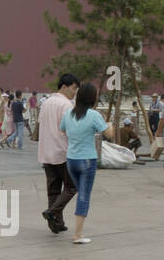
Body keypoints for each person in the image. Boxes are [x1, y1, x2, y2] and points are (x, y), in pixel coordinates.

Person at [59, 82, 116, 243]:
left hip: (71, 160)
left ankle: (78, 231)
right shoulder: (94, 115)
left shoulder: (68, 114)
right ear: (92, 98)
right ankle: (78, 234)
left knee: (80, 192)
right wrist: (109, 123)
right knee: (84, 195)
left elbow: (62, 130)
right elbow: (109, 134)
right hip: (87, 160)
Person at [38, 73, 79, 233]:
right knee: (71, 186)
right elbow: (72, 130)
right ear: (64, 86)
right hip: (63, 152)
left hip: (46, 152)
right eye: (74, 88)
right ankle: (52, 212)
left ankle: (56, 223)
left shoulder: (46, 102)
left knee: (53, 190)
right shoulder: (66, 105)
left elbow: (40, 125)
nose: (75, 92)